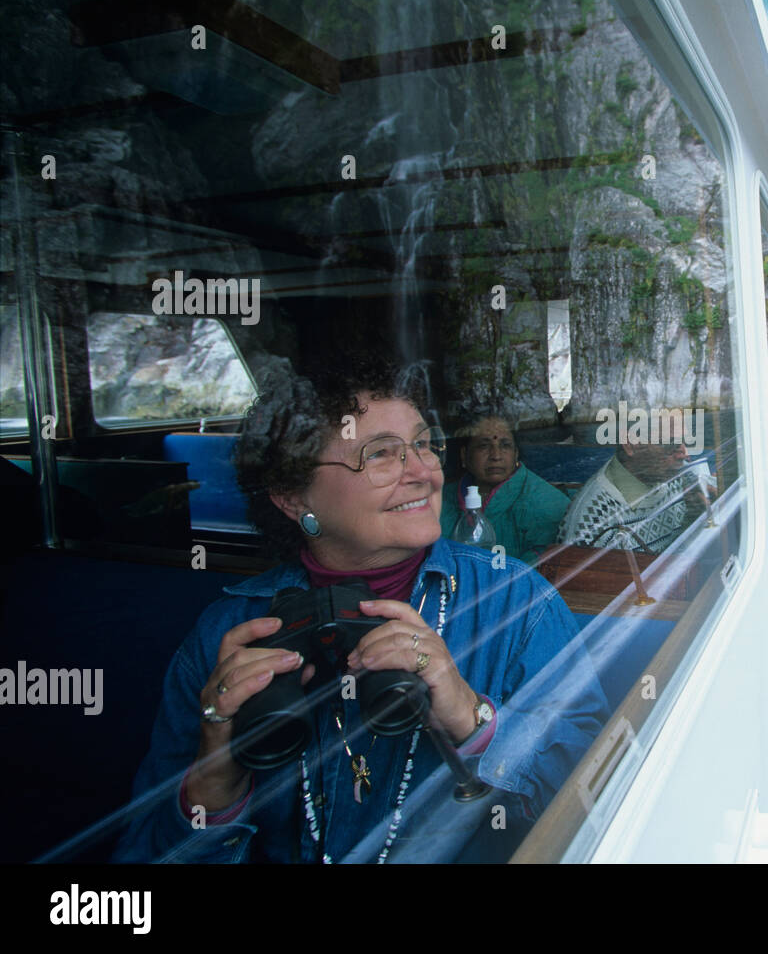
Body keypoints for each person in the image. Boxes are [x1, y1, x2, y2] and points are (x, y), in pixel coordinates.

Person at [114, 359, 608, 863]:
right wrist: (214, 781)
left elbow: (603, 795)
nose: (422, 472)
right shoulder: (229, 632)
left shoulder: (513, 600)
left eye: (423, 445)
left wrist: (471, 716)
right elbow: (140, 858)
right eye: (381, 455)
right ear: (291, 496)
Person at [557, 415, 713, 554]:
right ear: (631, 444)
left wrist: (697, 515)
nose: (686, 455)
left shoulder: (677, 476)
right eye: (671, 445)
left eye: (685, 443)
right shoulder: (594, 519)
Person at [440, 415, 570, 563]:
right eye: (484, 445)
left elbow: (538, 572)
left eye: (505, 445)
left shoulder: (545, 502)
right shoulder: (440, 500)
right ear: (465, 455)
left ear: (516, 454)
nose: (496, 456)